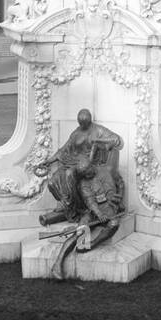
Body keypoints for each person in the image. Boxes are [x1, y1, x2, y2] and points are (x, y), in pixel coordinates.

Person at [34, 109, 125, 279]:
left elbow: (118, 144)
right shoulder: (84, 183)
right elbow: (64, 151)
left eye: (91, 171)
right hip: (92, 209)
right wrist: (98, 213)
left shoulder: (102, 169)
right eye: (81, 123)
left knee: (111, 224)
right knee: (56, 181)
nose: (91, 174)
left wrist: (118, 197)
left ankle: (89, 244)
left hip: (106, 208)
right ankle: (70, 212)